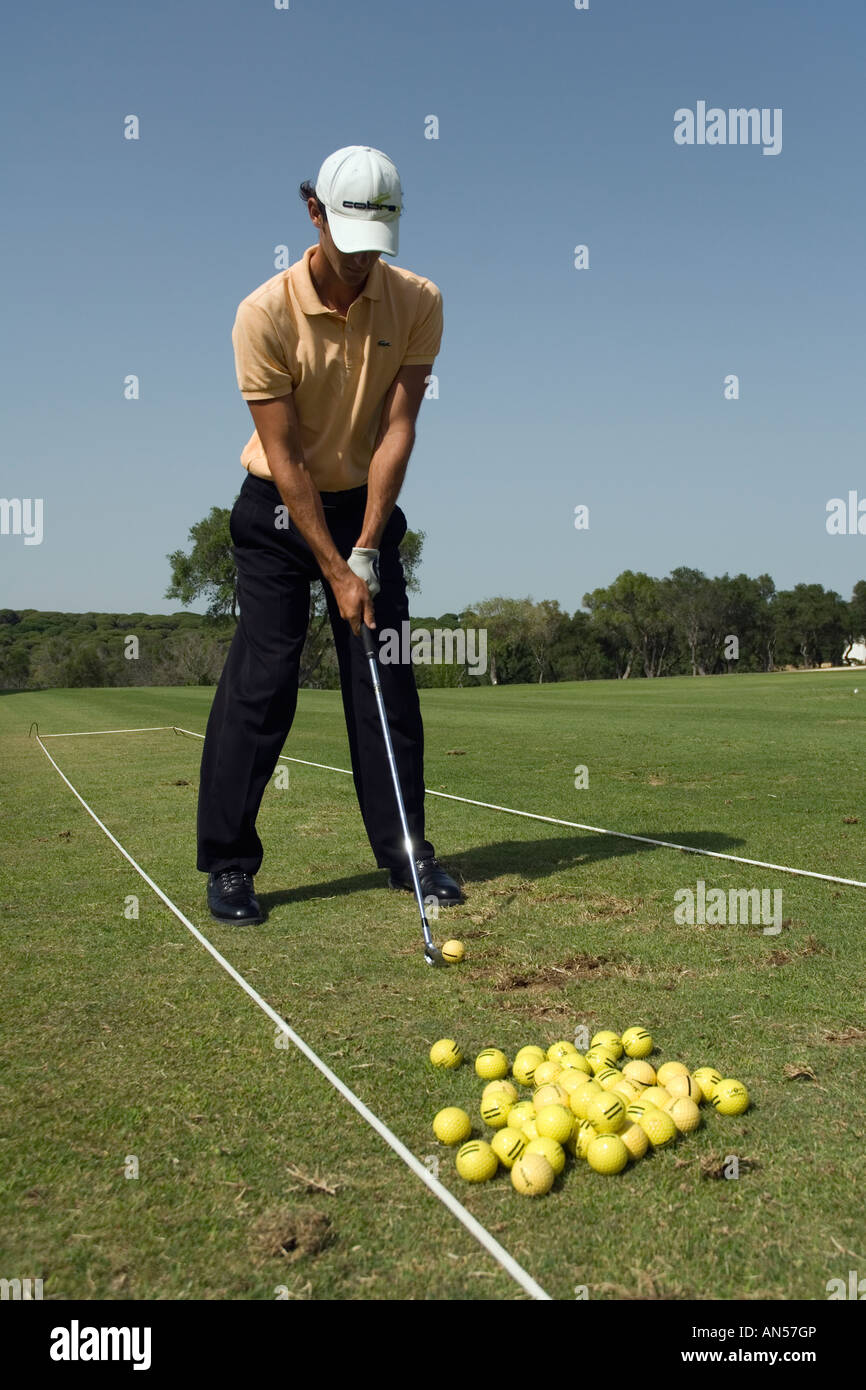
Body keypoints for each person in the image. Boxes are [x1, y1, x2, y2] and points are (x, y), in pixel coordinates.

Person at [196, 144, 464, 924]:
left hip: (365, 506)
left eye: (374, 249)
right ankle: (229, 864)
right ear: (314, 214)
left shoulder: (419, 302)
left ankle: (407, 855)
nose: (359, 266)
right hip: (278, 509)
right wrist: (333, 568)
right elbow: (284, 458)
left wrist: (369, 550)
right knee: (266, 675)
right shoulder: (263, 315)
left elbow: (397, 430)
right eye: (348, 245)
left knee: (386, 675)